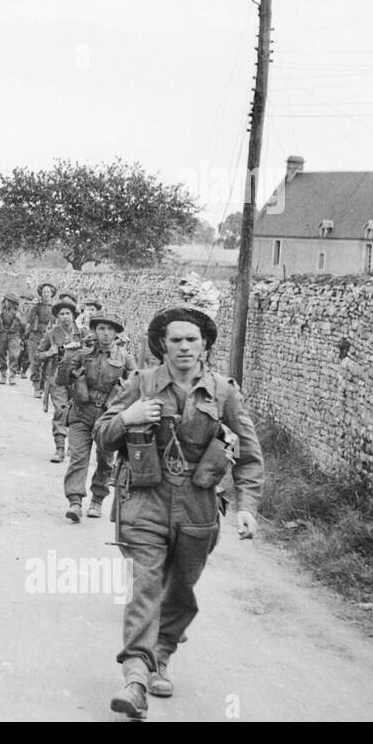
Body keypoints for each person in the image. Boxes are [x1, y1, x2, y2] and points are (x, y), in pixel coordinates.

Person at [94, 304, 263, 719]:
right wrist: (128, 417)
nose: (184, 346)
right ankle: (135, 679)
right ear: (162, 346)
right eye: (176, 340)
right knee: (146, 586)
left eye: (192, 339)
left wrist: (247, 507)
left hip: (199, 503)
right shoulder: (141, 383)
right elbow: (103, 434)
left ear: (205, 344)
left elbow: (249, 454)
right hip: (145, 499)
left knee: (182, 589)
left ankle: (163, 653)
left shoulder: (224, 391)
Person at [55, 313, 137, 522]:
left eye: (110, 329)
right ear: (94, 331)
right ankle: (75, 502)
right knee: (78, 458)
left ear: (117, 333)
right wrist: (67, 358)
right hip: (82, 412)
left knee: (105, 461)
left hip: (108, 417)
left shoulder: (125, 358)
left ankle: (97, 500)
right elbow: (62, 380)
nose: (106, 333)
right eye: (101, 328)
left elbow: (136, 387)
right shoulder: (83, 354)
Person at [36, 301, 90, 463]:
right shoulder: (52, 334)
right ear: (57, 317)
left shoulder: (83, 332)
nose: (65, 317)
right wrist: (48, 353)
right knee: (61, 410)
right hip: (57, 377)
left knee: (77, 411)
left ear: (73, 315)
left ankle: (73, 447)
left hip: (78, 377)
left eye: (68, 313)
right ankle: (59, 448)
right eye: (62, 314)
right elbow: (38, 355)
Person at [26, 283, 57, 396]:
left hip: (48, 337)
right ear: (41, 294)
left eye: (48, 292)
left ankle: (43, 385)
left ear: (52, 294)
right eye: (44, 292)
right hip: (35, 335)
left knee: (47, 362)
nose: (46, 294)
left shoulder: (55, 308)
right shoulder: (37, 306)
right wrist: (33, 307)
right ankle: (36, 386)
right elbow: (29, 319)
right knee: (35, 361)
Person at [0, 294, 28, 384]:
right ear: (4, 301)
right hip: (1, 335)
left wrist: (19, 319)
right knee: (1, 354)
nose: (9, 304)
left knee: (14, 355)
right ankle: (3, 375)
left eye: (11, 302)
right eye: (7, 301)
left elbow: (25, 326)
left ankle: (12, 376)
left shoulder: (19, 312)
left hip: (14, 335)